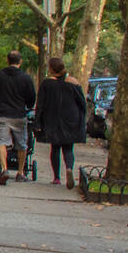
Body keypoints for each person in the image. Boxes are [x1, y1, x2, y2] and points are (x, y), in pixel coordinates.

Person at [34, 57, 88, 188]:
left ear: (51, 69)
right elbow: (82, 104)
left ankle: (57, 177)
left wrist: (38, 123)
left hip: (53, 120)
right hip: (70, 120)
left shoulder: (47, 84)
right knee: (68, 148)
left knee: (55, 148)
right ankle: (69, 168)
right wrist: (81, 121)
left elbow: (40, 104)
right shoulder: (74, 83)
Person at [0, 50, 37, 184]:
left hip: (3, 113)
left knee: (1, 142)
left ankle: (4, 169)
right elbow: (31, 97)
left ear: (7, 60)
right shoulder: (26, 78)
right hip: (19, 114)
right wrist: (28, 105)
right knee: (21, 143)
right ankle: (20, 173)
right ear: (20, 61)